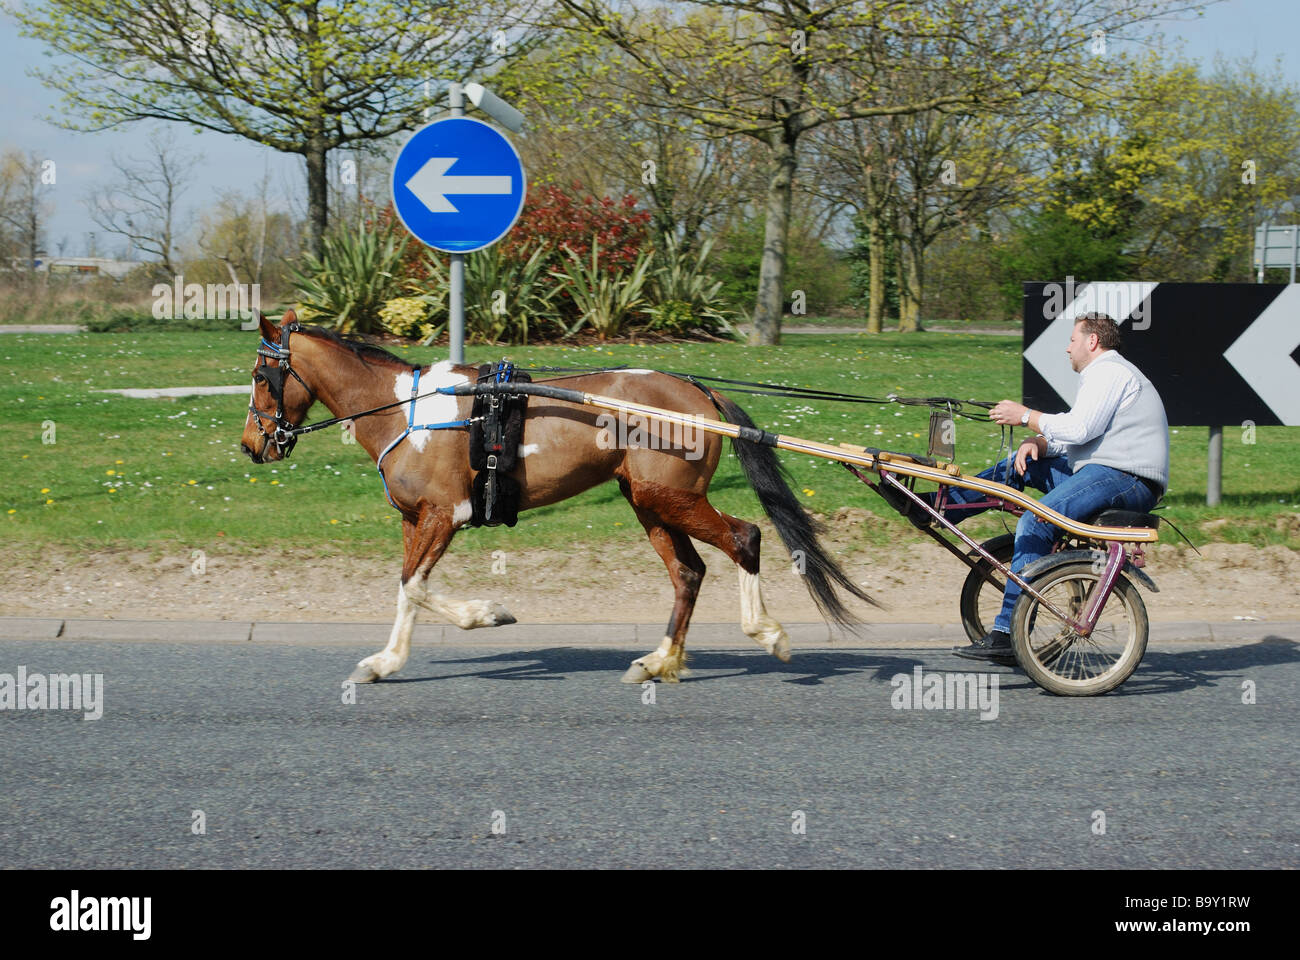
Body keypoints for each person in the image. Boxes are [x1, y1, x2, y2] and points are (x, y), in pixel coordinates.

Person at [898, 312, 1170, 662]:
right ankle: (938, 507)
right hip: (1107, 472)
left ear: (1092, 341)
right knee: (1018, 464)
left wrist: (1025, 415)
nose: (1067, 348)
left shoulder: (1110, 372)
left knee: (1034, 520)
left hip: (1126, 480)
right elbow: (1079, 434)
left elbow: (1080, 429)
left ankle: (1010, 632)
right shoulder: (1104, 375)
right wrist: (1039, 444)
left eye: (1073, 340)